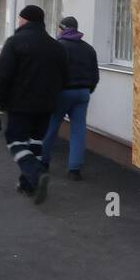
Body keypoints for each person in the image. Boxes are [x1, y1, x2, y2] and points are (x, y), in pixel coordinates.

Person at [0, 4, 68, 204]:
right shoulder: (57, 46)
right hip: (47, 105)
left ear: (25, 20)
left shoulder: (15, 42)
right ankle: (28, 185)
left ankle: (36, 173)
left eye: (20, 18)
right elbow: (65, 78)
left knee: (15, 140)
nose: (18, 22)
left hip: (20, 104)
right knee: (36, 143)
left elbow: (2, 76)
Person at [42, 16, 99, 180]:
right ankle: (75, 169)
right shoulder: (89, 49)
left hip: (62, 93)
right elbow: (95, 75)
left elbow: (49, 73)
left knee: (51, 126)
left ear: (63, 29)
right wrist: (88, 90)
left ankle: (43, 161)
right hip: (83, 93)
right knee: (78, 130)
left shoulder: (57, 47)